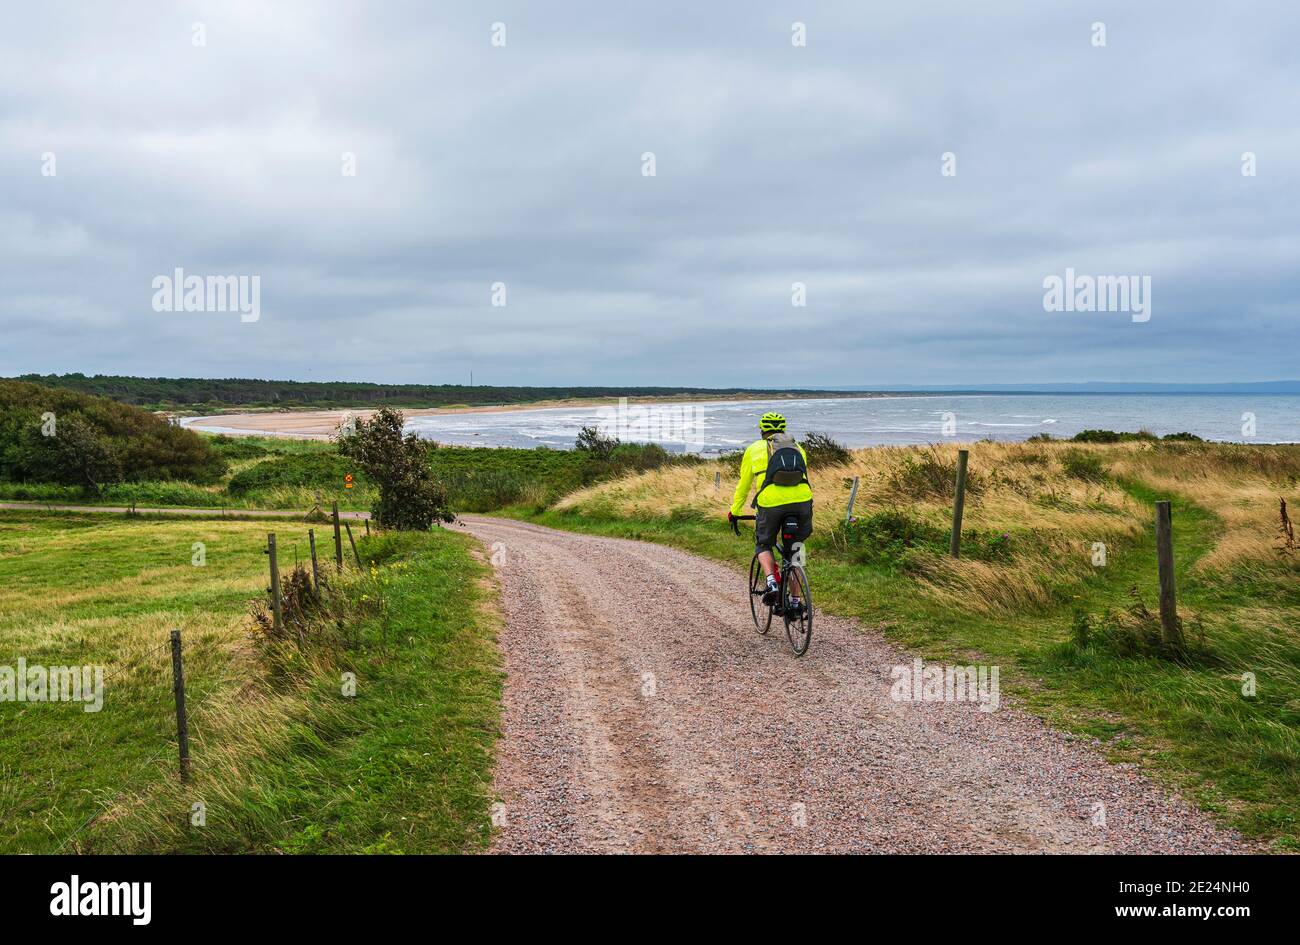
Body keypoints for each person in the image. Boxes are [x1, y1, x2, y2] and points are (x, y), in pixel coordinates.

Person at [727, 412, 813, 604]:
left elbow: (744, 485)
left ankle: (772, 582)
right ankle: (796, 602)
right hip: (802, 501)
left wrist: (735, 511)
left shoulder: (753, 449)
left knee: (764, 543)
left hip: (770, 503)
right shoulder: (798, 448)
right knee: (795, 551)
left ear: (762, 430)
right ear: (783, 430)